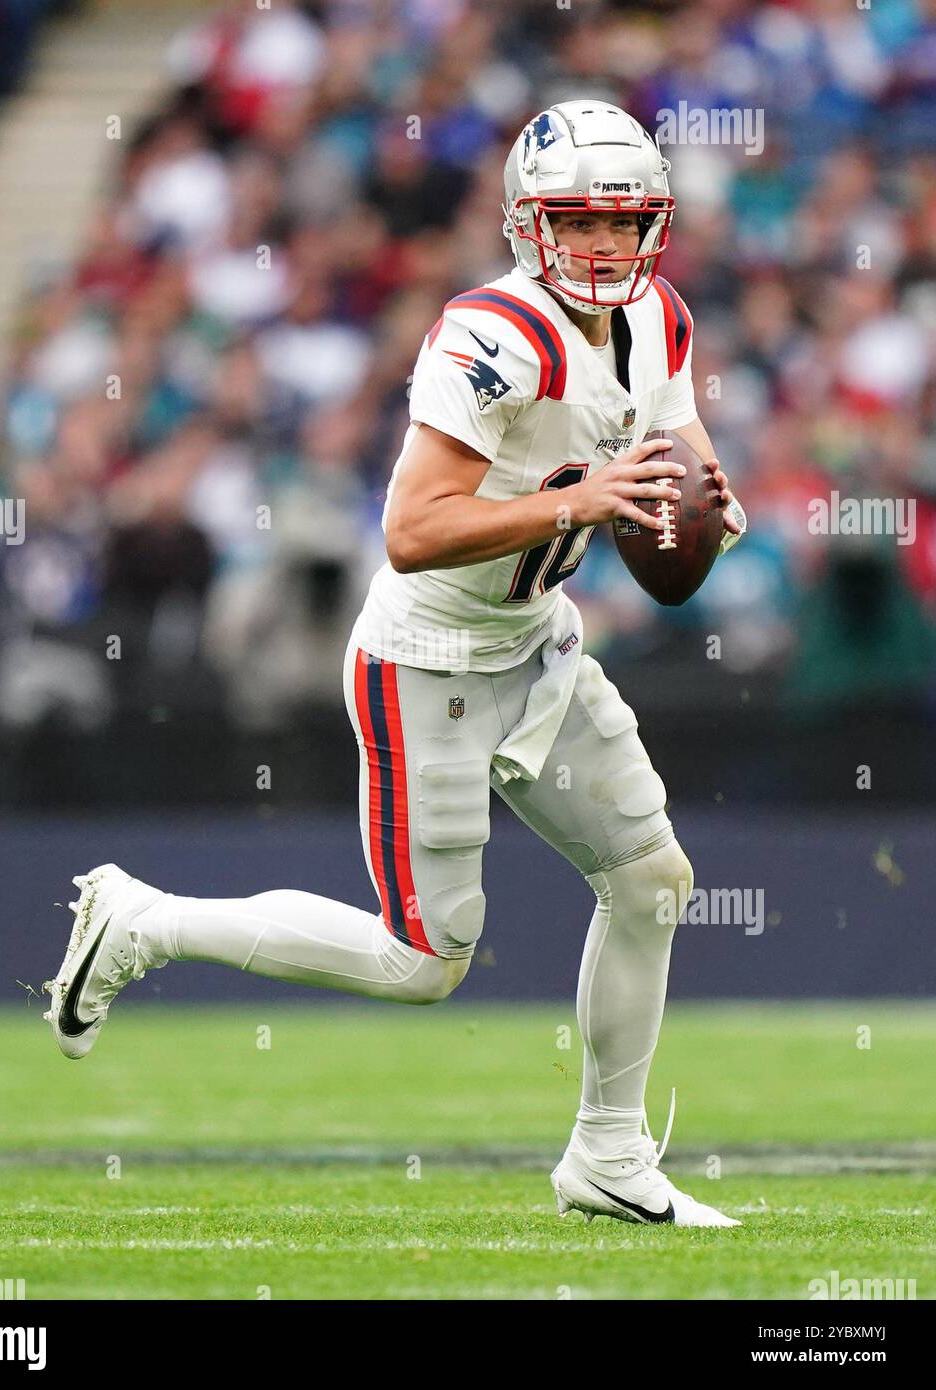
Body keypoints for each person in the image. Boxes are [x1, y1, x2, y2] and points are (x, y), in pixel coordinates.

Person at [43, 101, 746, 1228]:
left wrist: (709, 496)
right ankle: (142, 920)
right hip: (430, 656)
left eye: (629, 220)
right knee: (427, 961)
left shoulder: (658, 317)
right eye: (579, 219)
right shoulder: (493, 333)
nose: (608, 245)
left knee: (653, 881)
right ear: (528, 220)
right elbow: (413, 528)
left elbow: (673, 431)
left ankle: (608, 1157)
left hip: (538, 639)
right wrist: (576, 499)